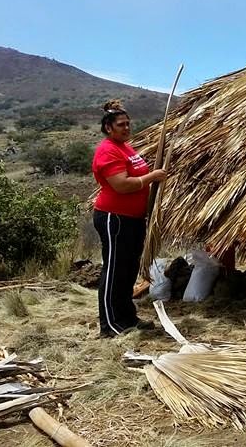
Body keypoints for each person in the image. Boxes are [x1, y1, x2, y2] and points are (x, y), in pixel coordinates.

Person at [91, 100, 168, 338]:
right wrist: (152, 177)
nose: (126, 128)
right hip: (115, 219)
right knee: (114, 271)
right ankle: (110, 324)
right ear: (108, 128)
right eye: (121, 125)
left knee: (128, 271)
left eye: (127, 124)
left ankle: (127, 317)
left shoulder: (126, 147)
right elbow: (122, 185)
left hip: (133, 219)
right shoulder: (108, 150)